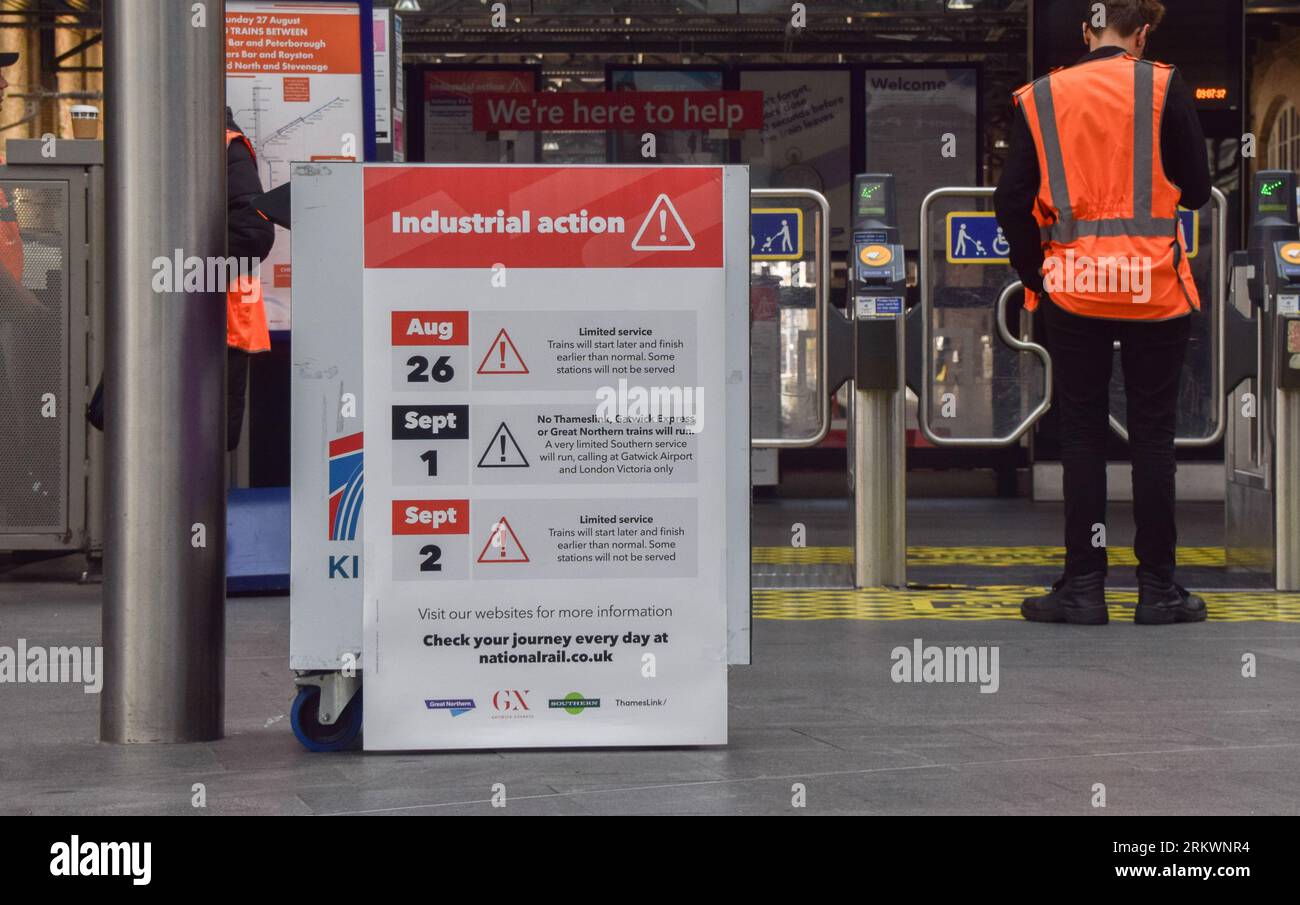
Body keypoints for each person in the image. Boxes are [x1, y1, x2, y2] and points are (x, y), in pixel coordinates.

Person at [993, 0, 1212, 625]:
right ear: (1140, 33)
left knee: (1083, 433)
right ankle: (1158, 590)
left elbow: (1012, 201)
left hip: (1075, 288)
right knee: (1152, 436)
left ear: (1085, 31)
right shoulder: (1166, 86)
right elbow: (1195, 188)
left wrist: (1037, 273)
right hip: (1155, 289)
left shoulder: (1039, 97)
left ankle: (1085, 586)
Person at [90, 109, 275, 452]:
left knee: (193, 450)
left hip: (213, 326)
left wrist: (180, 280)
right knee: (146, 438)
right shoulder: (179, 148)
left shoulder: (223, 147)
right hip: (174, 319)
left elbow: (253, 234)